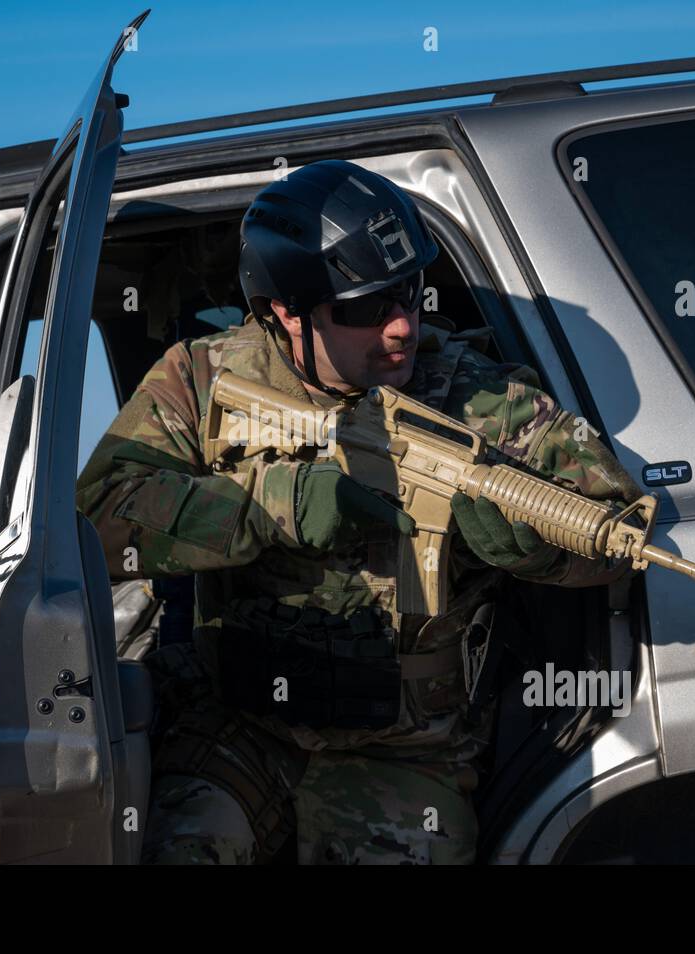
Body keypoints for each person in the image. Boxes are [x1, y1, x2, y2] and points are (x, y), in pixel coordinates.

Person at [76, 159, 643, 864]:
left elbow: (613, 528)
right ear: (285, 313)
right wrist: (272, 504)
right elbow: (94, 522)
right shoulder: (201, 380)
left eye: (409, 292)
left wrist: (529, 547)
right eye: (365, 308)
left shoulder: (481, 401)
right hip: (238, 730)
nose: (403, 327)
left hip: (405, 754)